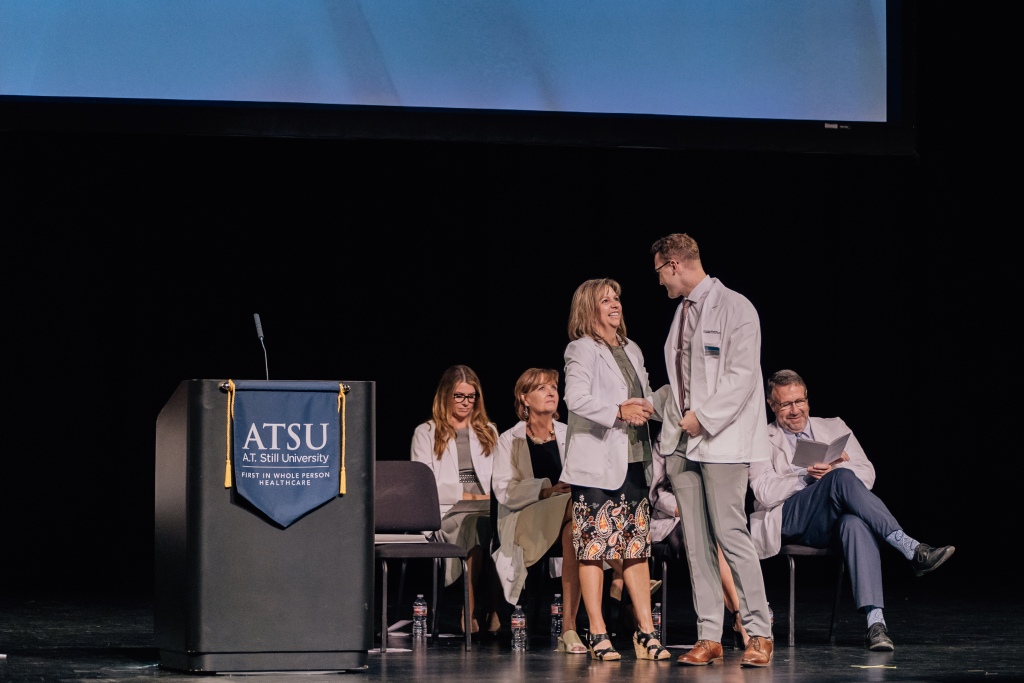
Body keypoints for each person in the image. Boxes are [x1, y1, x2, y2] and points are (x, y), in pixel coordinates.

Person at [750, 369, 955, 651]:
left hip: (826, 522)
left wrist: (833, 470)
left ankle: (876, 625)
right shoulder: (760, 436)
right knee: (840, 478)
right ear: (772, 405)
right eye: (785, 404)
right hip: (788, 516)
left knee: (854, 523)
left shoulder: (834, 426)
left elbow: (867, 474)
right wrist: (806, 478)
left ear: (808, 399)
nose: (795, 410)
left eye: (800, 401)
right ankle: (910, 548)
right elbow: (762, 490)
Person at [649, 233, 774, 667]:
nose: (660, 281)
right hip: (682, 443)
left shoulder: (736, 308)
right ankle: (709, 636)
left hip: (721, 440)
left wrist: (703, 418)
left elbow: (741, 377)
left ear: (675, 266)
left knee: (731, 535)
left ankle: (759, 632)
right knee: (697, 544)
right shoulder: (681, 314)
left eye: (660, 272)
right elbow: (683, 379)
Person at [560, 278, 669, 661]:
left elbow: (645, 394)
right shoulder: (582, 349)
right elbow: (574, 398)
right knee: (593, 549)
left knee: (635, 549)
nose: (614, 304)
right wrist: (618, 411)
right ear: (589, 309)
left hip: (635, 459)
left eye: (617, 298)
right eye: (605, 300)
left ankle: (646, 632)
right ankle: (598, 632)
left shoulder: (632, 348)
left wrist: (661, 403)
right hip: (597, 465)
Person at [491, 368, 586, 653]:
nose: (551, 392)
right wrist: (547, 491)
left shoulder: (572, 435)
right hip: (525, 518)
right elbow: (504, 489)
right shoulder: (510, 439)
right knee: (575, 505)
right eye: (542, 388)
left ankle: (569, 629)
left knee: (574, 533)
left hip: (567, 520)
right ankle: (621, 567)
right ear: (524, 398)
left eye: (554, 387)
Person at [411, 365, 499, 634]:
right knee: (473, 523)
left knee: (506, 524)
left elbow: (501, 478)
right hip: (446, 512)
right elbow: (422, 485)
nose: (466, 402)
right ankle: (470, 608)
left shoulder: (489, 431)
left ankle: (493, 606)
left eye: (471, 396)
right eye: (459, 396)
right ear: (446, 396)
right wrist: (466, 495)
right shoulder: (426, 432)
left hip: (487, 506)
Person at [648, 435, 751, 649]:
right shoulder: (662, 442)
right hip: (673, 519)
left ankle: (737, 617)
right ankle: (742, 616)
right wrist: (689, 508)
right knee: (707, 536)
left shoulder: (710, 437)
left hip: (710, 516)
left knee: (717, 535)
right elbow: (656, 494)